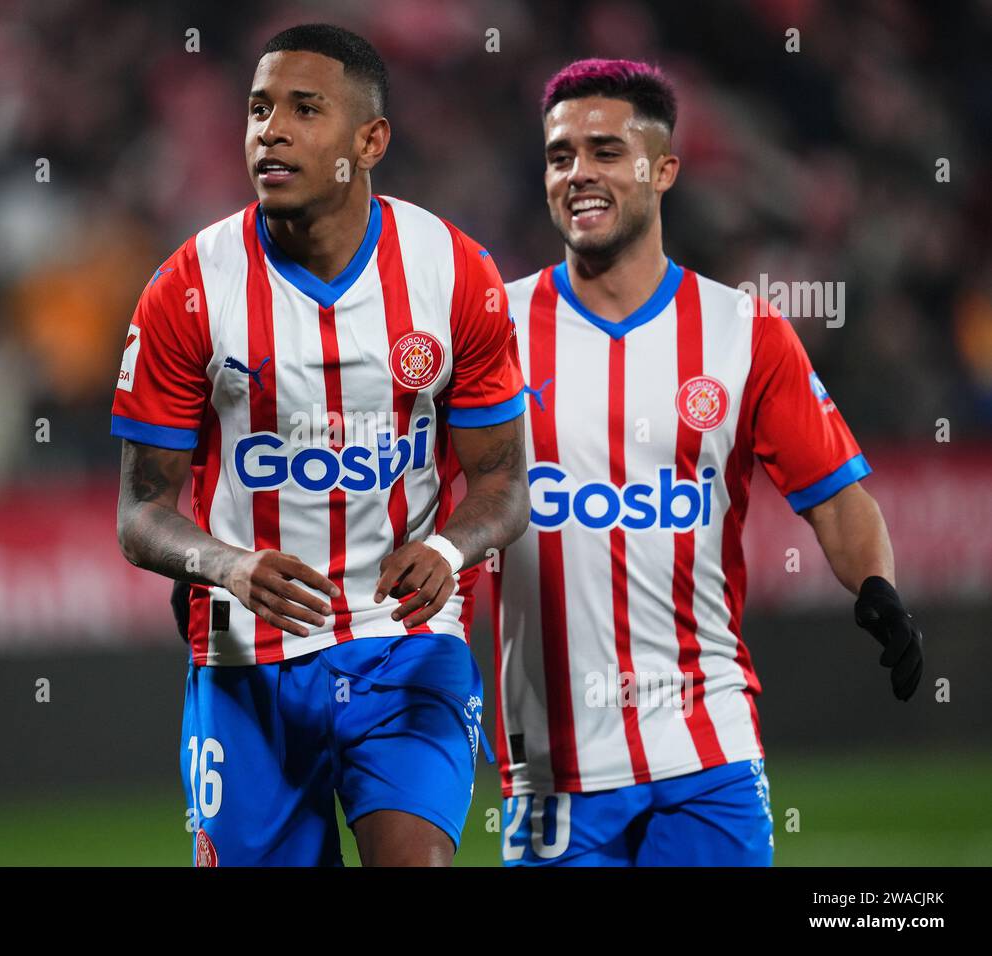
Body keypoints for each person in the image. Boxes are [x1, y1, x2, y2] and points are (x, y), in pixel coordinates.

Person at [112, 24, 529, 866]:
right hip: (246, 660)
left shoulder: (453, 273)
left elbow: (506, 483)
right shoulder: (188, 288)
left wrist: (449, 547)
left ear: (369, 140)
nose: (273, 129)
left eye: (306, 109)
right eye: (260, 108)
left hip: (404, 645)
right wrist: (228, 566)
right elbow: (140, 515)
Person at [494, 58, 923, 866]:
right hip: (553, 765)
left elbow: (836, 499)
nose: (578, 174)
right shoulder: (491, 329)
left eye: (605, 151)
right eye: (559, 157)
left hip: (707, 747)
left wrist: (878, 591)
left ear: (664, 170)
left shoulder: (743, 330)